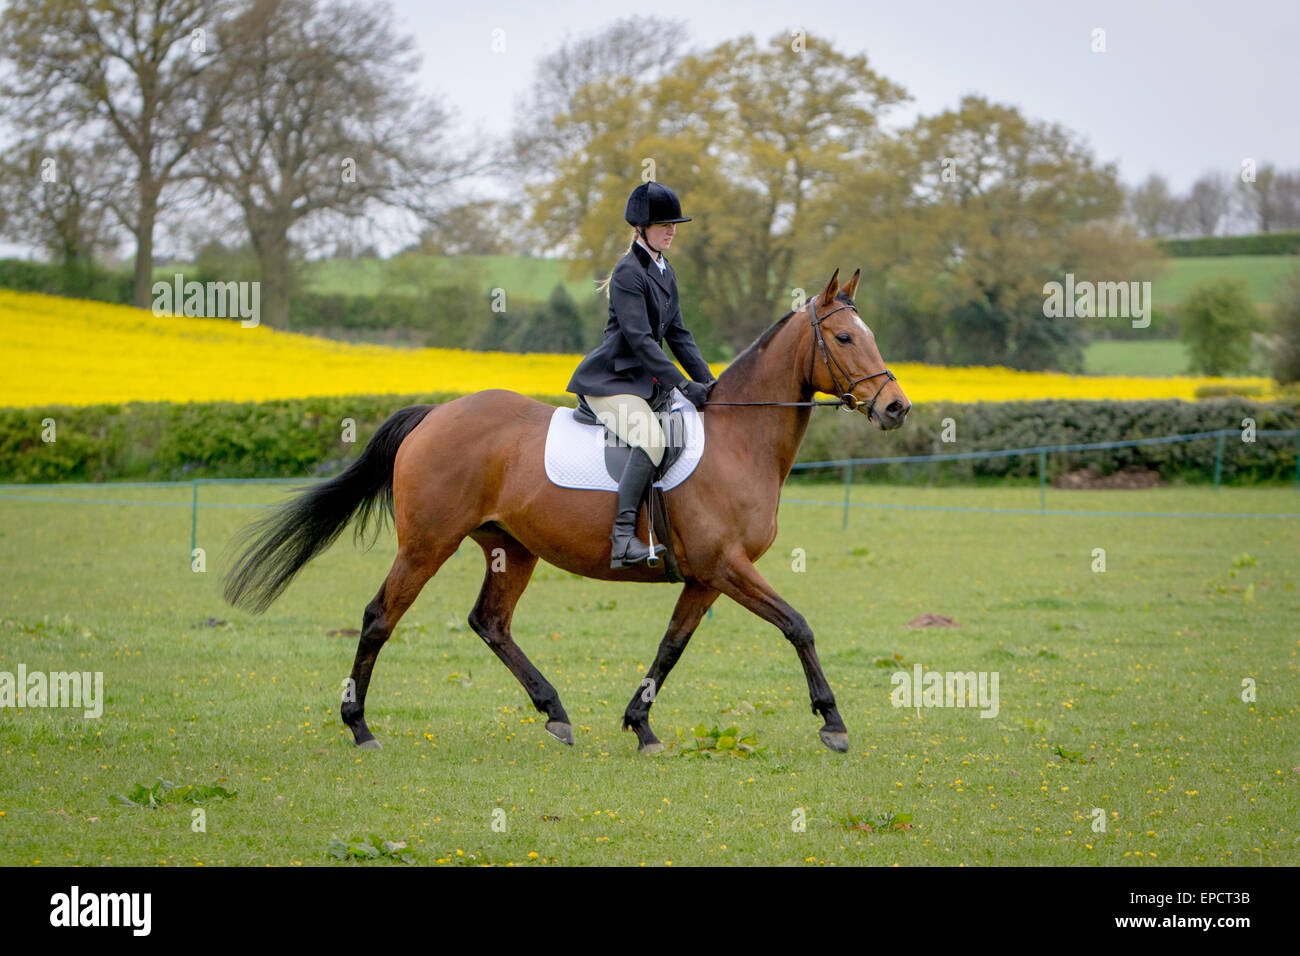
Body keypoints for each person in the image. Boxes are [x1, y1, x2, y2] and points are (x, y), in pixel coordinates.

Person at [567, 181, 717, 568]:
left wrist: (711, 382)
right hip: (612, 382)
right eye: (664, 224)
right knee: (652, 438)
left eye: (675, 224)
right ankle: (622, 539)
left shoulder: (665, 271)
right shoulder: (627, 273)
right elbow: (639, 341)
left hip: (642, 383)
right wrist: (682, 384)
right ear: (642, 228)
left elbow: (679, 335)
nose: (672, 230)